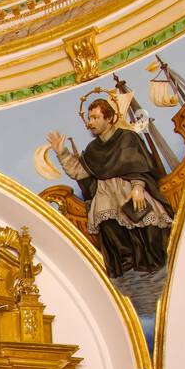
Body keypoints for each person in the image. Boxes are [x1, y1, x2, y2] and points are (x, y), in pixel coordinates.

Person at [48, 100, 172, 280]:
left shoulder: (127, 137)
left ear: (110, 118)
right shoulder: (93, 149)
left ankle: (154, 262)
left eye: (96, 117)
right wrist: (62, 152)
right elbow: (80, 172)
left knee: (148, 223)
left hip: (130, 187)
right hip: (106, 194)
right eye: (90, 118)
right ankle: (128, 266)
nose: (90, 122)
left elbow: (140, 164)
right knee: (109, 226)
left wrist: (138, 187)